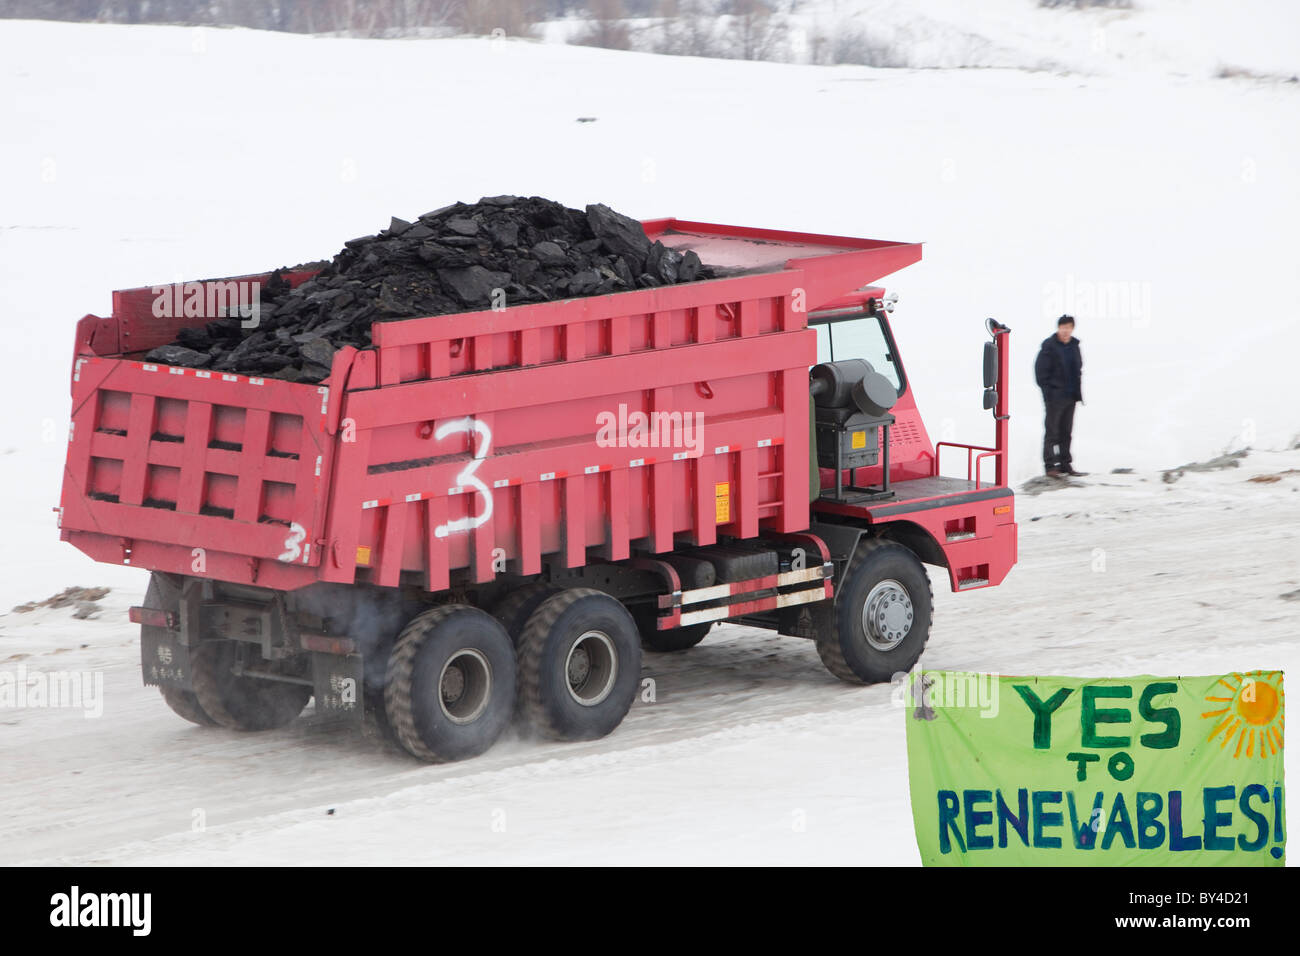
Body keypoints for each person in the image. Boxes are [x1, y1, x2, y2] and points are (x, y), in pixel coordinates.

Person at [1034, 315, 1086, 477]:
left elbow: (1078, 369)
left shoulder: (1074, 346)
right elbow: (1040, 372)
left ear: (1072, 328)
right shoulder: (1049, 346)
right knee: (1052, 432)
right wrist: (1049, 393)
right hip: (1054, 398)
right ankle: (1050, 466)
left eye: (1068, 327)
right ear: (1058, 328)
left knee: (1066, 432)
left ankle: (1065, 464)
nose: (1065, 330)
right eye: (1063, 327)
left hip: (1071, 396)